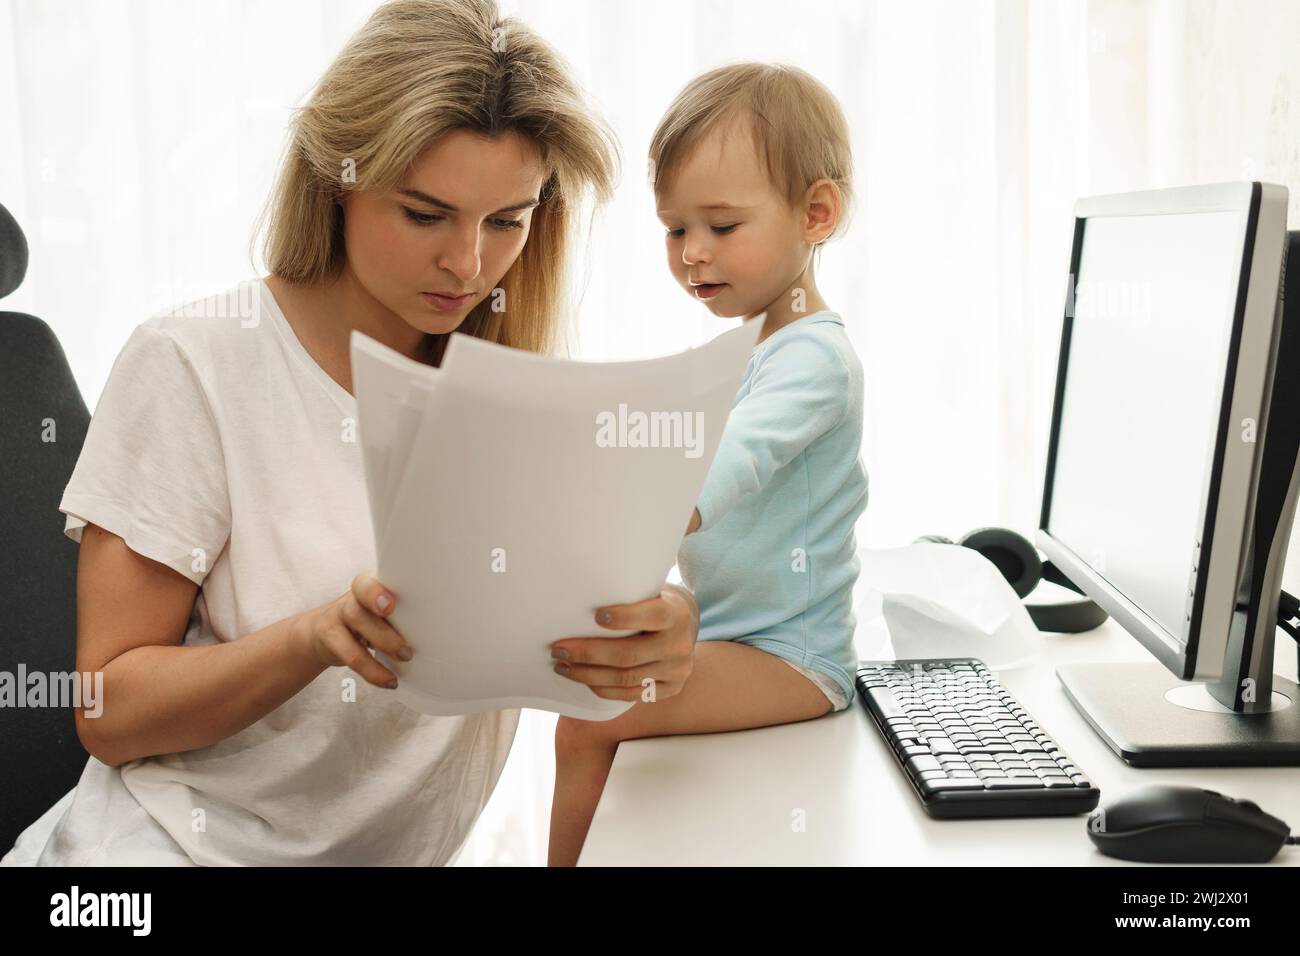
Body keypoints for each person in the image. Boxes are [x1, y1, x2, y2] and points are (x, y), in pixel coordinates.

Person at [1, 0, 699, 867]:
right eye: (423, 213)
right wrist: (309, 639)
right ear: (340, 179)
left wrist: (658, 625)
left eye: (507, 221)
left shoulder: (513, 396)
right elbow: (107, 712)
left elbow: (578, 620)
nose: (468, 265)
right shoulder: (193, 362)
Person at [548, 63, 868, 866]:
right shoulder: (754, 343)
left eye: (721, 227)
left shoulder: (813, 358)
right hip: (738, 632)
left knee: (591, 717)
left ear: (817, 213)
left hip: (796, 661)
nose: (692, 253)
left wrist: (635, 509)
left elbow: (733, 460)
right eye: (673, 228)